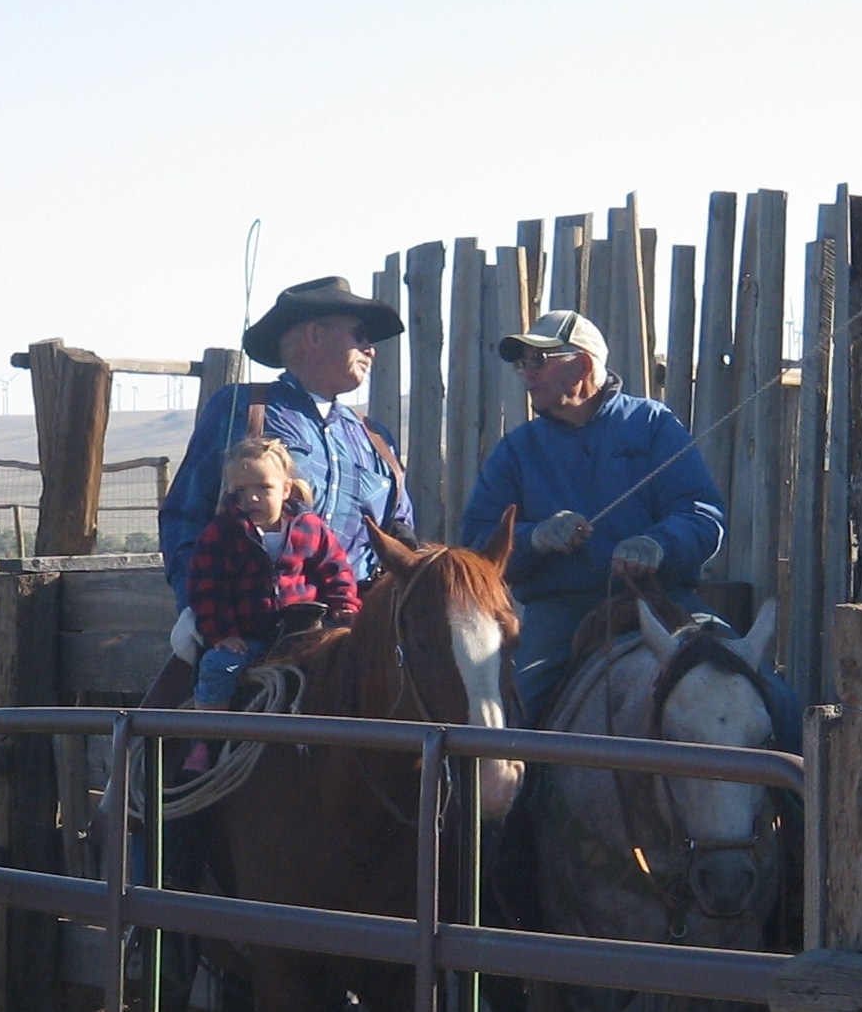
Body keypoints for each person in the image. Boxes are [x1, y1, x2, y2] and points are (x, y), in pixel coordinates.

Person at [460, 309, 801, 751]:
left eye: (538, 362)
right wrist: (533, 538)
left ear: (582, 365)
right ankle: (496, 821)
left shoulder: (654, 425)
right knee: (505, 722)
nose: (526, 374)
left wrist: (658, 544)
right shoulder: (517, 450)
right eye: (522, 363)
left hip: (665, 601)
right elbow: (475, 543)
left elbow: (702, 514)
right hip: (561, 615)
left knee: (778, 699)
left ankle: (802, 816)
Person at [159, 275, 416, 668]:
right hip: (251, 634)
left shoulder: (376, 439)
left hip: (356, 638)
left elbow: (401, 537)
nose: (371, 350)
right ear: (314, 334)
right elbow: (187, 515)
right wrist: (194, 606)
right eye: (361, 335)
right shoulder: (244, 409)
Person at [181, 436, 361, 772]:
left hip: (302, 632)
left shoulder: (312, 529)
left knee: (341, 667)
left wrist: (344, 605)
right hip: (248, 634)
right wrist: (222, 634)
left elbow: (336, 570)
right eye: (240, 491)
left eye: (263, 488)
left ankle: (345, 744)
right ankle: (206, 740)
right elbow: (207, 589)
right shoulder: (222, 532)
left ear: (286, 489)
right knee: (219, 668)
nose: (251, 498)